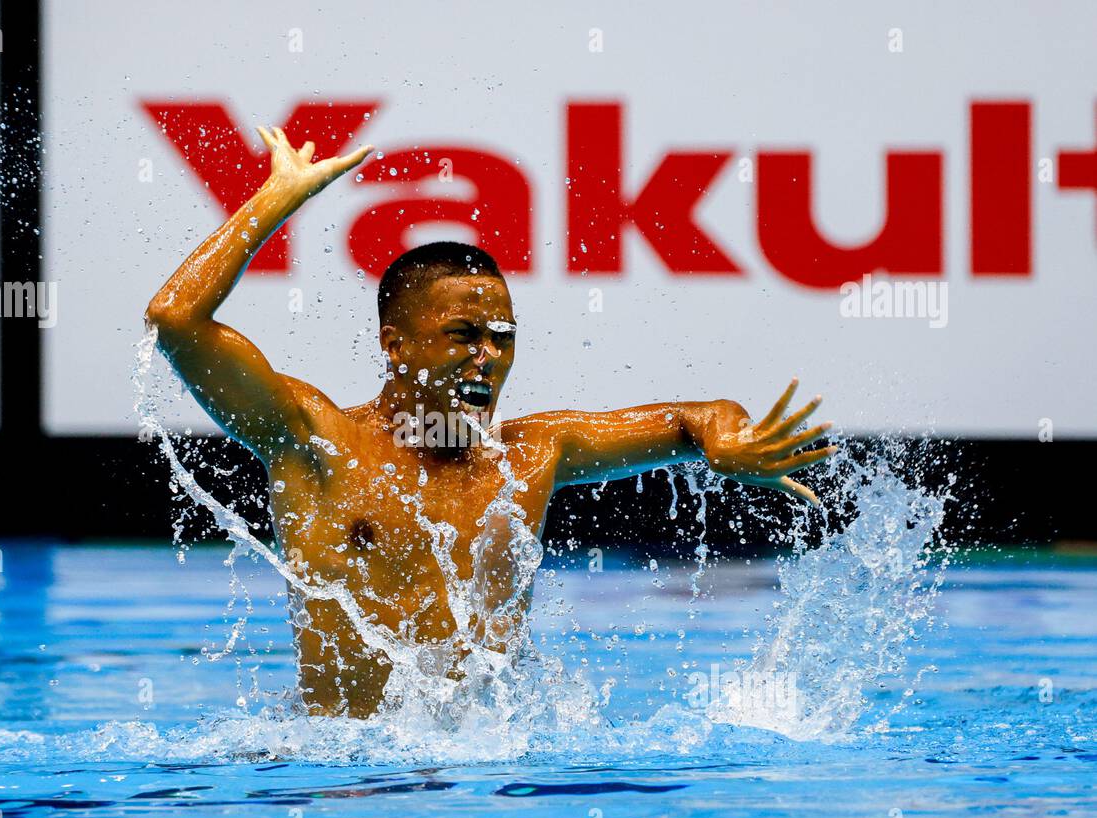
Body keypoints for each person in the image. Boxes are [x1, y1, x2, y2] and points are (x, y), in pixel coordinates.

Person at [145, 127, 837, 717]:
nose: (488, 358)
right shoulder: (315, 441)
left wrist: (729, 437)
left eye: (503, 336)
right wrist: (276, 200)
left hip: (489, 782)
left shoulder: (531, 454)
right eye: (464, 334)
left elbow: (699, 418)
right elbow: (176, 319)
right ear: (395, 344)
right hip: (339, 776)